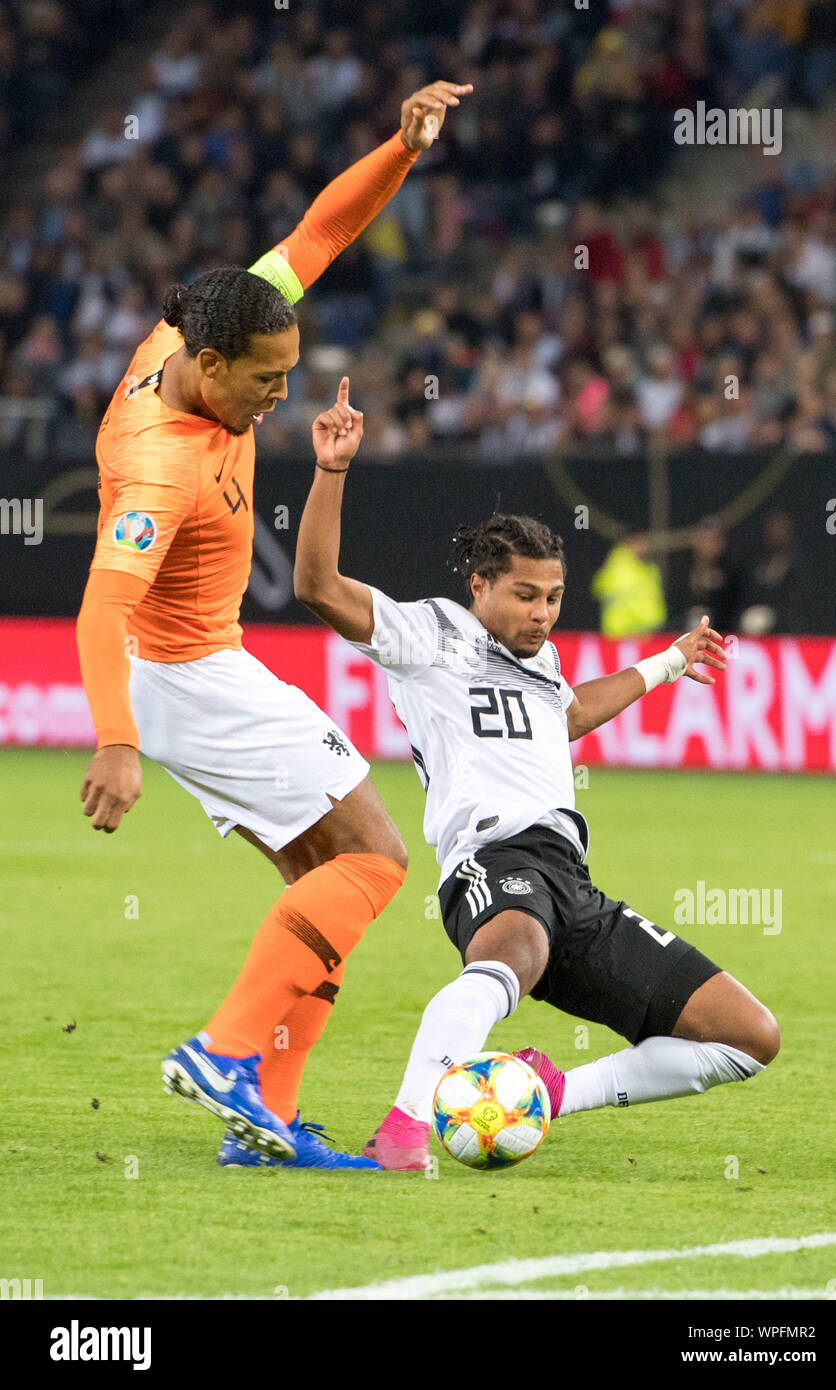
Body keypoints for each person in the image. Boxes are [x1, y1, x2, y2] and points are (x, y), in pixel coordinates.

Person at [75, 82, 473, 1171]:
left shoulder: (211, 317)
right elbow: (102, 605)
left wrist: (398, 150)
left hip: (194, 669)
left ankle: (266, 1126)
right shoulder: (161, 463)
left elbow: (318, 230)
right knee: (381, 858)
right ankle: (223, 1050)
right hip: (189, 671)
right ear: (209, 367)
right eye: (265, 383)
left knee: (326, 889)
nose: (279, 399)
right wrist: (114, 737)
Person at [292, 385, 780, 1170]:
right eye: (525, 595)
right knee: (510, 954)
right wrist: (331, 471)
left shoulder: (542, 659)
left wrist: (668, 661)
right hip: (492, 862)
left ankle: (546, 1093)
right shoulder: (428, 637)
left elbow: (569, 714)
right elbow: (317, 585)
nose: (543, 612)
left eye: (553, 596)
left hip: (572, 883)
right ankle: (404, 1125)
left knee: (750, 1036)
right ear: (478, 585)